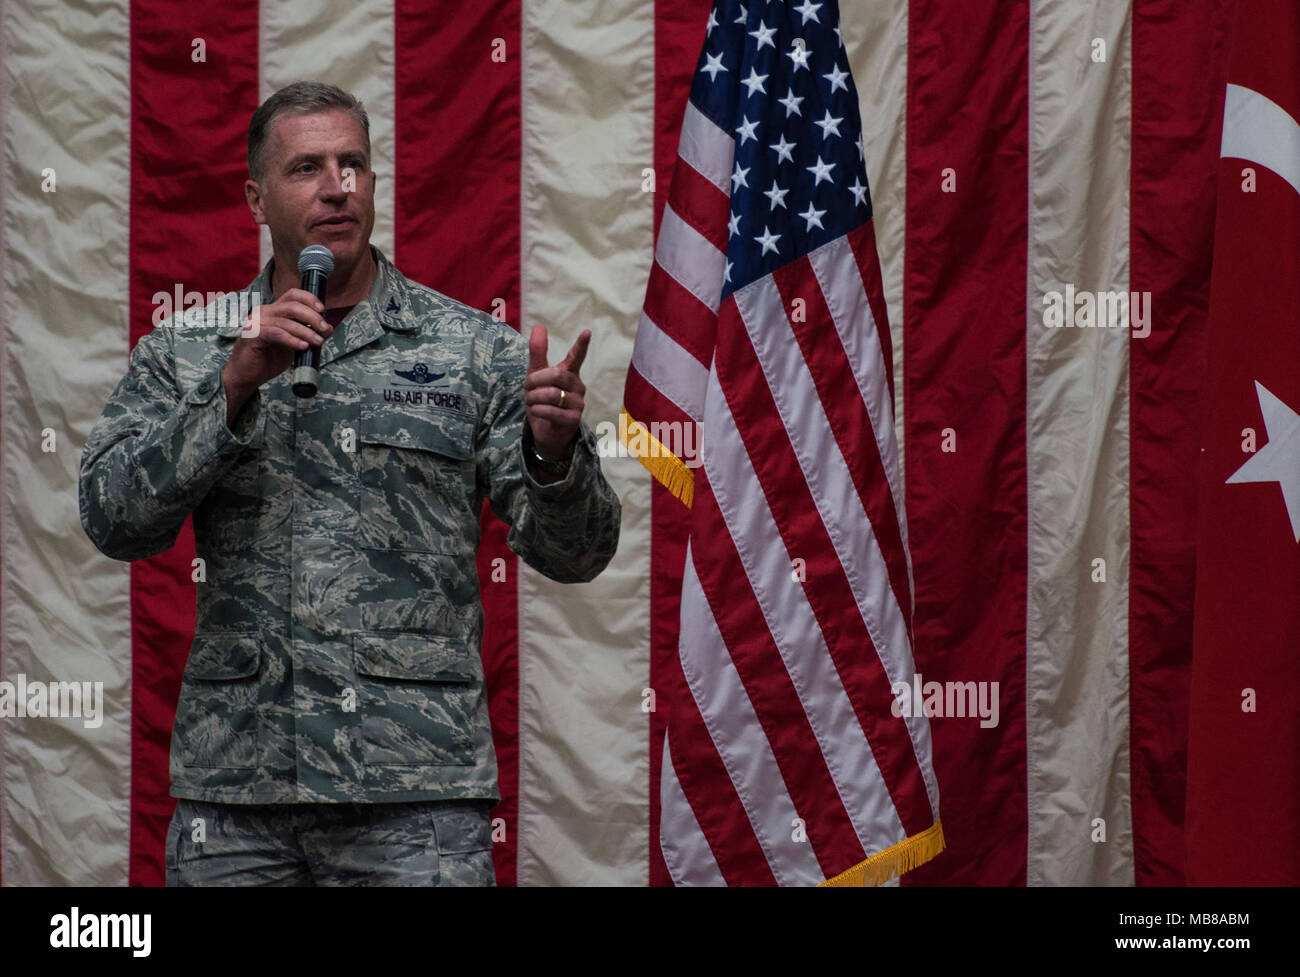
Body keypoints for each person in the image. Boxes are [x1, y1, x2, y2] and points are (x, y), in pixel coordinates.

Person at [78, 81, 621, 886]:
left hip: (414, 795)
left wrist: (551, 458)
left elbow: (579, 554)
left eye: (354, 164)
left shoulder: (476, 352)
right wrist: (229, 388)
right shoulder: (189, 349)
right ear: (256, 196)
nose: (338, 186)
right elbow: (112, 517)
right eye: (307, 168)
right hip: (239, 797)